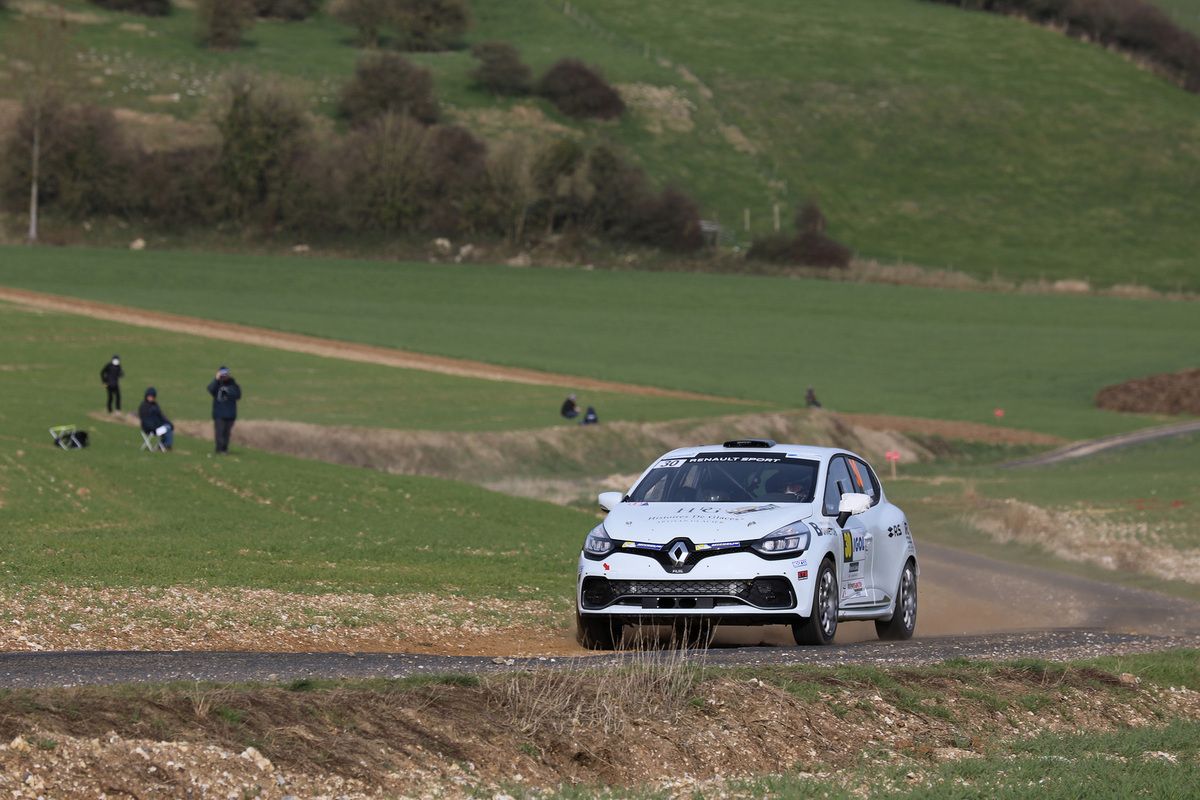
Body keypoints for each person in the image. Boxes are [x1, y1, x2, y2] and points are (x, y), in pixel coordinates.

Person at [207, 365, 242, 454]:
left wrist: (229, 390)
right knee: (219, 432)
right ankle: (219, 450)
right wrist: (216, 379)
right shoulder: (216, 385)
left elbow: (238, 395)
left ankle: (224, 449)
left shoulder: (233, 384)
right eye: (222, 374)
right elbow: (210, 389)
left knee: (227, 433)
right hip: (219, 413)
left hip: (230, 414)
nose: (224, 376)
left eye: (226, 374)